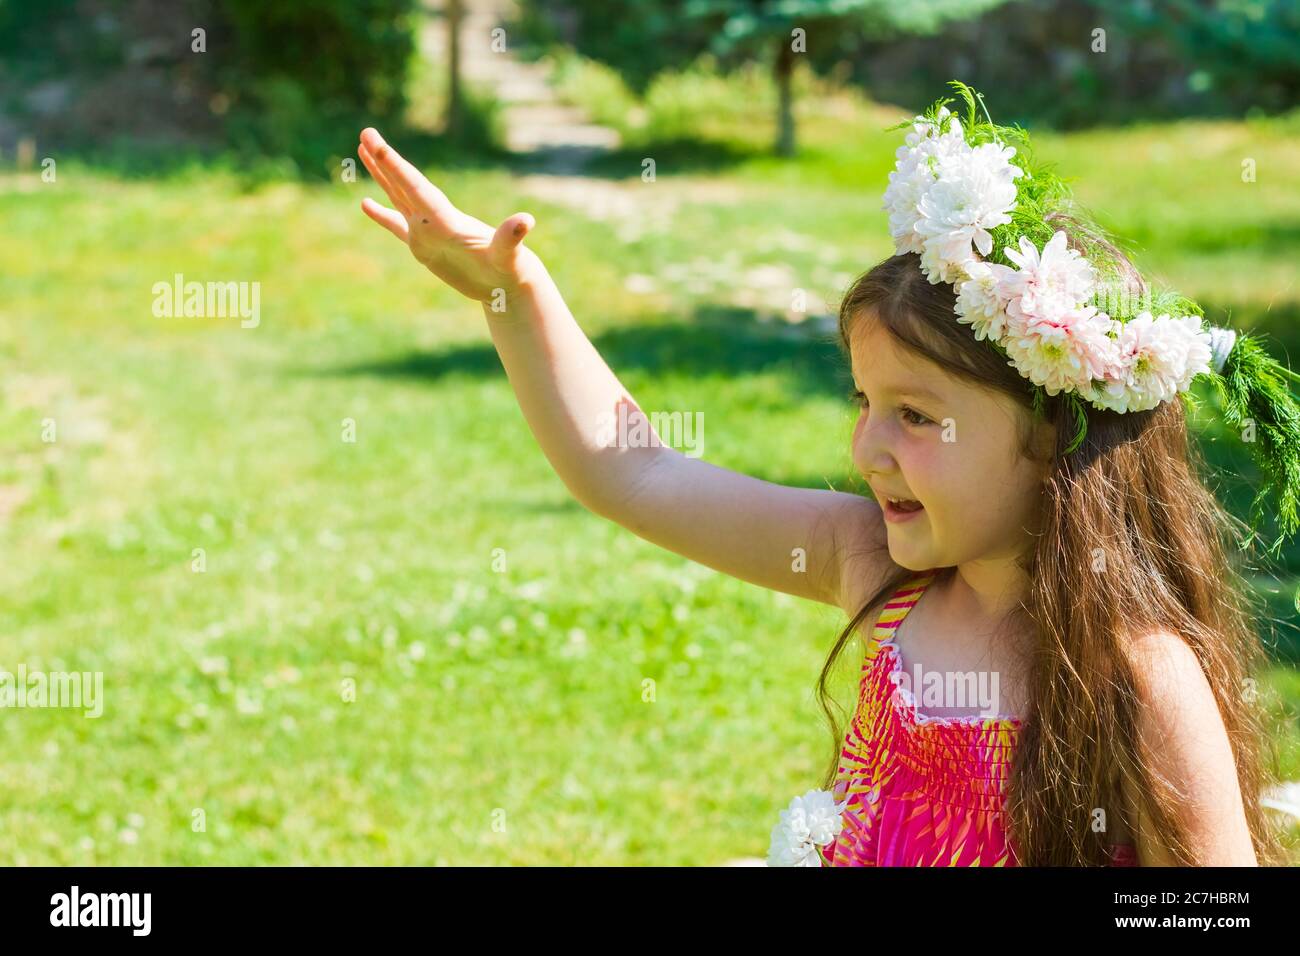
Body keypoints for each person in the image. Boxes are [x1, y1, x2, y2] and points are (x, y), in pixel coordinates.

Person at [353, 81, 1300, 866]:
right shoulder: (876, 571)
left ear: (1054, 432)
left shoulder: (1133, 675)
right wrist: (513, 294)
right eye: (865, 405)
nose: (868, 450)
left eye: (916, 417)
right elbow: (634, 476)